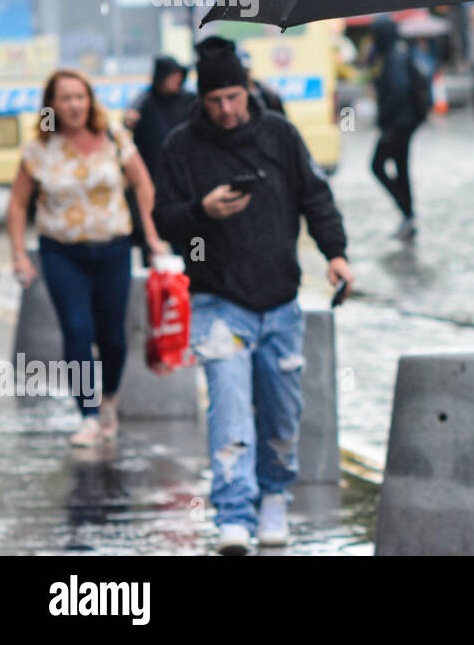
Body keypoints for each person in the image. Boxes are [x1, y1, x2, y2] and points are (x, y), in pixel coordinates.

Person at [151, 36, 353, 555]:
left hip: (281, 301)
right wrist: (202, 212)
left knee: (283, 414)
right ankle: (233, 515)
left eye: (233, 98)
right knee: (231, 415)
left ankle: (274, 501)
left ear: (247, 90)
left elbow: (315, 195)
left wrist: (335, 253)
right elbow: (163, 219)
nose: (225, 110)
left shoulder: (280, 135)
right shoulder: (181, 146)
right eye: (215, 100)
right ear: (202, 98)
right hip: (218, 303)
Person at [6, 70, 170, 447]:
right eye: (65, 98)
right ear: (52, 105)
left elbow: (143, 183)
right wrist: (19, 254)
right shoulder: (38, 148)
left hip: (113, 247)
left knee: (112, 336)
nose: (74, 105)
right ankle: (89, 414)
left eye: (80, 97)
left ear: (90, 100)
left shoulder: (114, 136)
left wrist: (151, 235)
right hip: (63, 252)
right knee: (77, 331)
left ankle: (109, 397)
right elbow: (17, 205)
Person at [369, 17, 430, 239]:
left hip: (398, 125)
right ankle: (408, 215)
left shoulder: (393, 57)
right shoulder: (395, 52)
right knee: (401, 168)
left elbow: (397, 91)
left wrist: (383, 121)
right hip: (406, 123)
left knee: (377, 165)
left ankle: (407, 211)